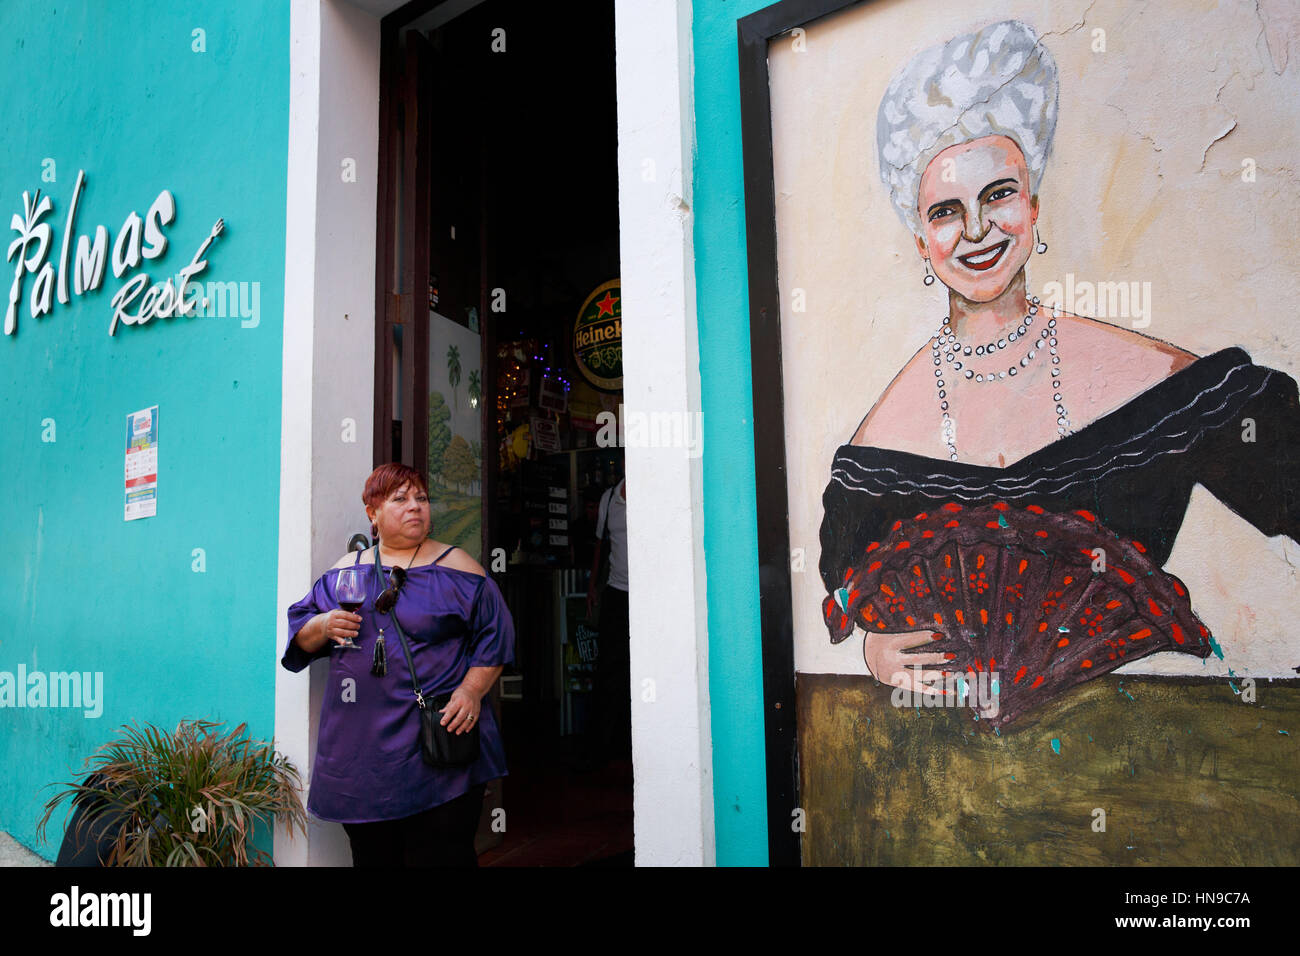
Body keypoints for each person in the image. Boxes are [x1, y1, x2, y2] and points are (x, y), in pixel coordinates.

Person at [821, 19, 1300, 703]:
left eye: (998, 195)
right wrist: (873, 646)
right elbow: (847, 586)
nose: (979, 230)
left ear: (1034, 204)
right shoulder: (880, 444)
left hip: (1138, 750)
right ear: (922, 239)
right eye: (947, 211)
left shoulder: (1159, 387)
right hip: (933, 770)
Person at [282, 462, 515, 867]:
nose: (415, 507)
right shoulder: (345, 572)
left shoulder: (458, 568)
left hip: (438, 742)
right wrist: (322, 624)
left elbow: (496, 635)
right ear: (372, 513)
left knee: (445, 855)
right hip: (361, 755)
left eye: (421, 498)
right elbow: (301, 634)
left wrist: (473, 689)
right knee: (374, 858)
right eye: (400, 498)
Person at [585, 476, 629, 763]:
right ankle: (604, 746)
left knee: (639, 669)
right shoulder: (610, 498)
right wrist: (592, 586)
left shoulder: (654, 491)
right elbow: (600, 544)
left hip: (648, 594)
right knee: (610, 668)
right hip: (616, 591)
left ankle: (630, 741)